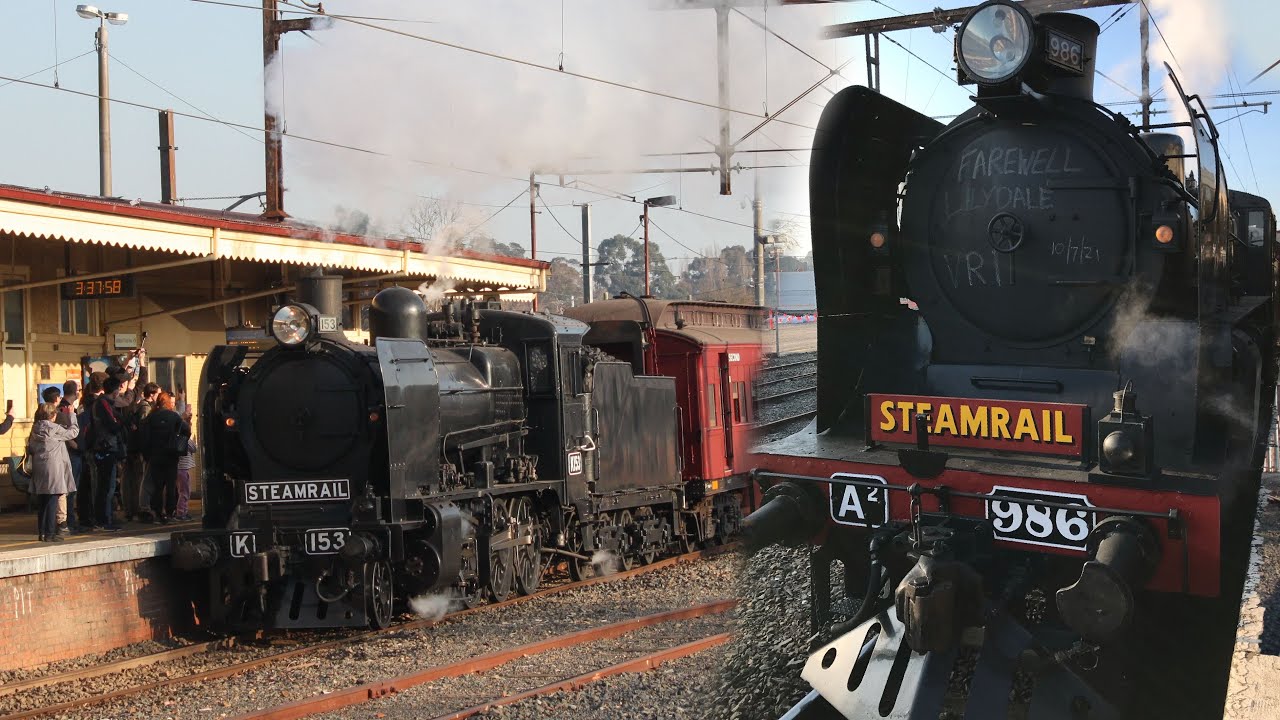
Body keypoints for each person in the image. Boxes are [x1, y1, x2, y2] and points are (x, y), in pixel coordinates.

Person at [29, 403, 79, 542]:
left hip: (39, 467)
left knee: (42, 501)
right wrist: (71, 415)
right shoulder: (55, 429)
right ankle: (50, 534)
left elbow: (31, 447)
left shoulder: (35, 428)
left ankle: (42, 533)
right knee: (52, 500)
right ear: (52, 415)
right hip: (53, 468)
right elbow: (74, 432)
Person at [141, 392, 189, 524]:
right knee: (171, 485)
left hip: (156, 455)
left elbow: (145, 437)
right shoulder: (174, 416)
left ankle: (158, 513)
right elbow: (186, 430)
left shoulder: (151, 417)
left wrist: (147, 455)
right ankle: (170, 512)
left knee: (157, 486)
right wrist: (179, 442)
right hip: (171, 455)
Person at [89, 376, 127, 531]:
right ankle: (103, 520)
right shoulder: (103, 404)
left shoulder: (104, 403)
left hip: (106, 447)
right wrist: (121, 424)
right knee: (106, 486)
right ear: (115, 390)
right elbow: (113, 425)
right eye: (118, 388)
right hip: (105, 448)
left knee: (107, 485)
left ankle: (106, 517)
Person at [123, 382, 160, 521]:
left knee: (133, 479)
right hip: (138, 449)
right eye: (157, 393)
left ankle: (132, 509)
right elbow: (144, 429)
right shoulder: (145, 409)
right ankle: (138, 509)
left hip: (133, 447)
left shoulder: (139, 407)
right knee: (139, 479)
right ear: (151, 394)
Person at [57, 381, 84, 534]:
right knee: (70, 488)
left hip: (72, 453)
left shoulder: (67, 406)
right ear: (75, 391)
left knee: (72, 488)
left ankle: (70, 520)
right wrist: (75, 445)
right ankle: (69, 522)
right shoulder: (64, 408)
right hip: (70, 453)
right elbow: (63, 430)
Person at [175, 404, 196, 521]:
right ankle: (181, 513)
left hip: (177, 468)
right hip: (184, 470)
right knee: (185, 492)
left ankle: (180, 511)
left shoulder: (176, 439)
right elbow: (195, 448)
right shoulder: (186, 440)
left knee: (180, 491)